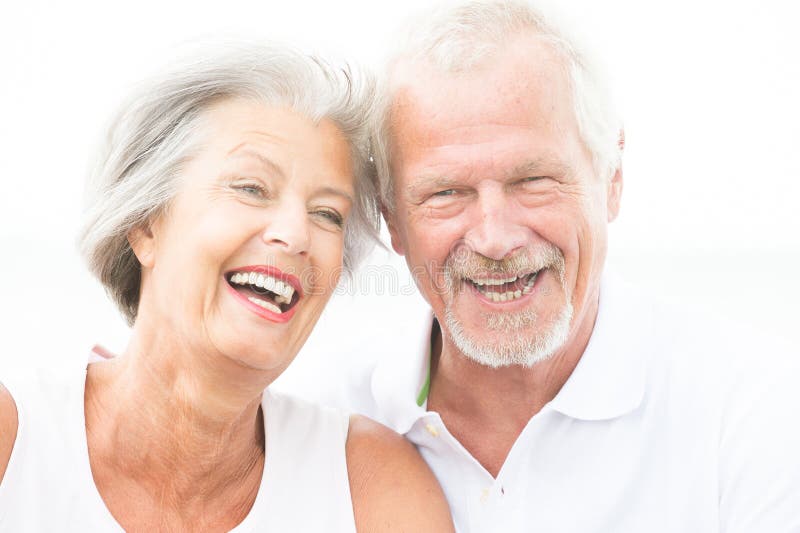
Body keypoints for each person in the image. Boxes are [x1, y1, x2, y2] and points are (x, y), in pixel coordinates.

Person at [300, 1, 800, 531]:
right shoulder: (322, 425)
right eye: (445, 193)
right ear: (392, 220)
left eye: (533, 181)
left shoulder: (753, 413)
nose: (494, 238)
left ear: (612, 176)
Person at [0, 43, 454, 532]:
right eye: (252, 188)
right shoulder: (15, 442)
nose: (296, 234)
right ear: (147, 225)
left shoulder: (373, 489)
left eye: (326, 213)